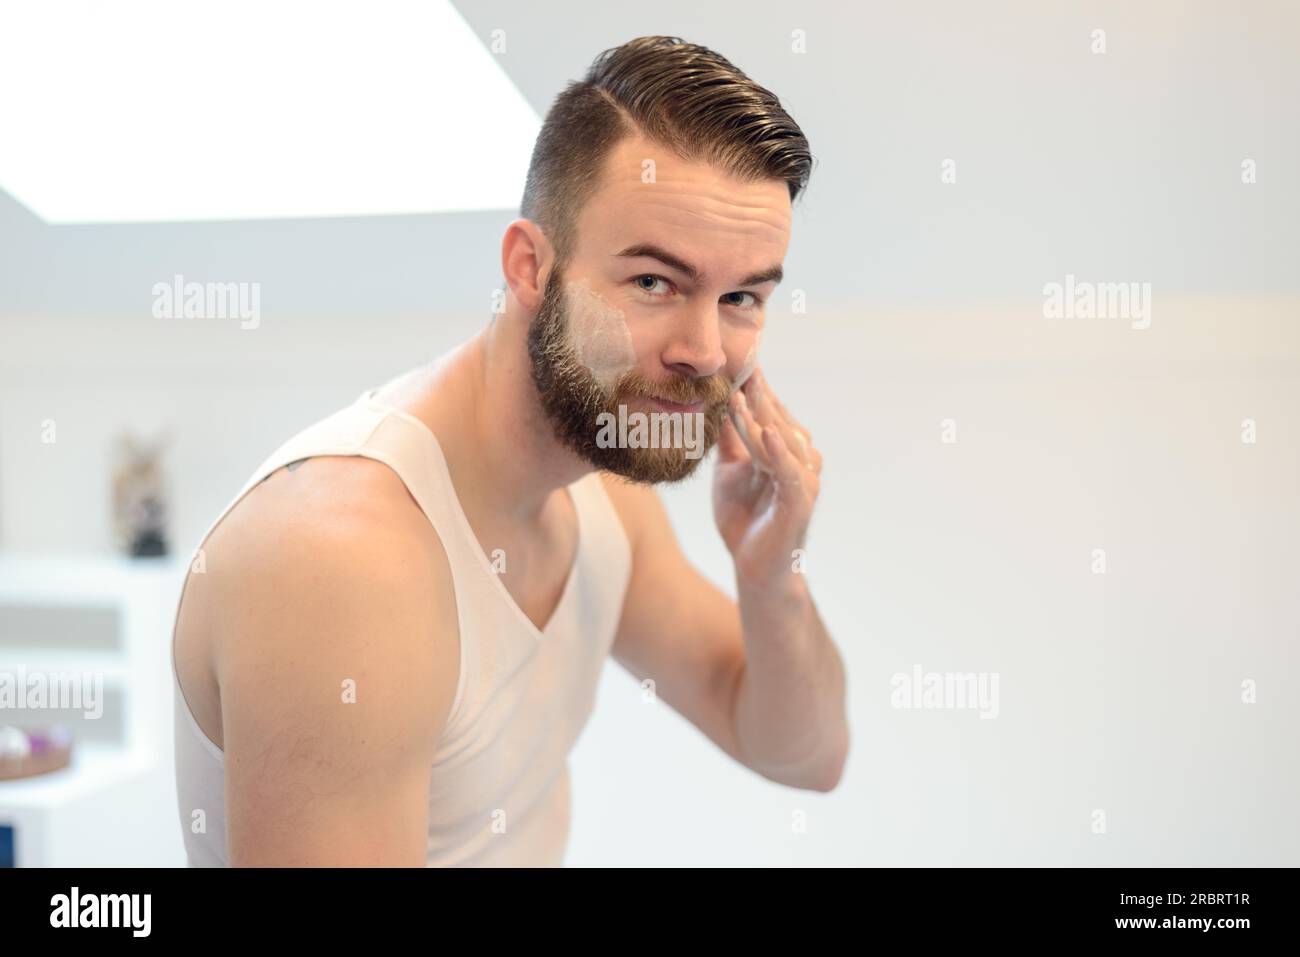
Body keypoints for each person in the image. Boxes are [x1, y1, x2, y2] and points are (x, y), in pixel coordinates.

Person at [171, 35, 847, 867]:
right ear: (530, 265)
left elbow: (804, 754)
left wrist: (771, 578)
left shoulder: (605, 499)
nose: (705, 351)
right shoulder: (343, 557)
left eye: (741, 296)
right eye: (654, 283)